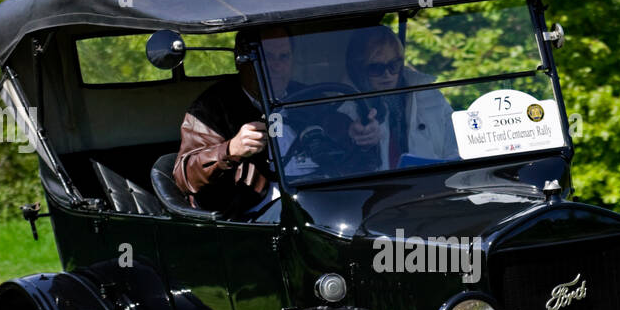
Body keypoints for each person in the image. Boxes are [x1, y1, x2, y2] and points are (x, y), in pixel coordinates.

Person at [174, 26, 382, 211]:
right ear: (241, 60)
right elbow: (185, 175)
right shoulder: (211, 107)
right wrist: (231, 150)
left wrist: (361, 136)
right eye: (267, 57)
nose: (277, 66)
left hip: (318, 197)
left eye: (284, 57)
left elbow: (342, 136)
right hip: (255, 208)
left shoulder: (305, 98)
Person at [344, 26, 456, 167]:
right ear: (359, 69)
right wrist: (363, 142)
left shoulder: (428, 93)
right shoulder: (344, 105)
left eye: (394, 65)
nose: (387, 74)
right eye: (376, 68)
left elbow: (457, 143)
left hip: (434, 184)